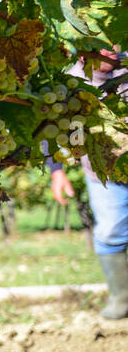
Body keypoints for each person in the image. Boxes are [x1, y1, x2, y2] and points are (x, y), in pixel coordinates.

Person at [49, 49, 128, 318]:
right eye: (104, 45)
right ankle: (121, 299)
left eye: (115, 43)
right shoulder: (69, 81)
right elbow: (53, 128)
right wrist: (56, 172)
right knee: (109, 234)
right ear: (83, 50)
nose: (113, 50)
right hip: (103, 175)